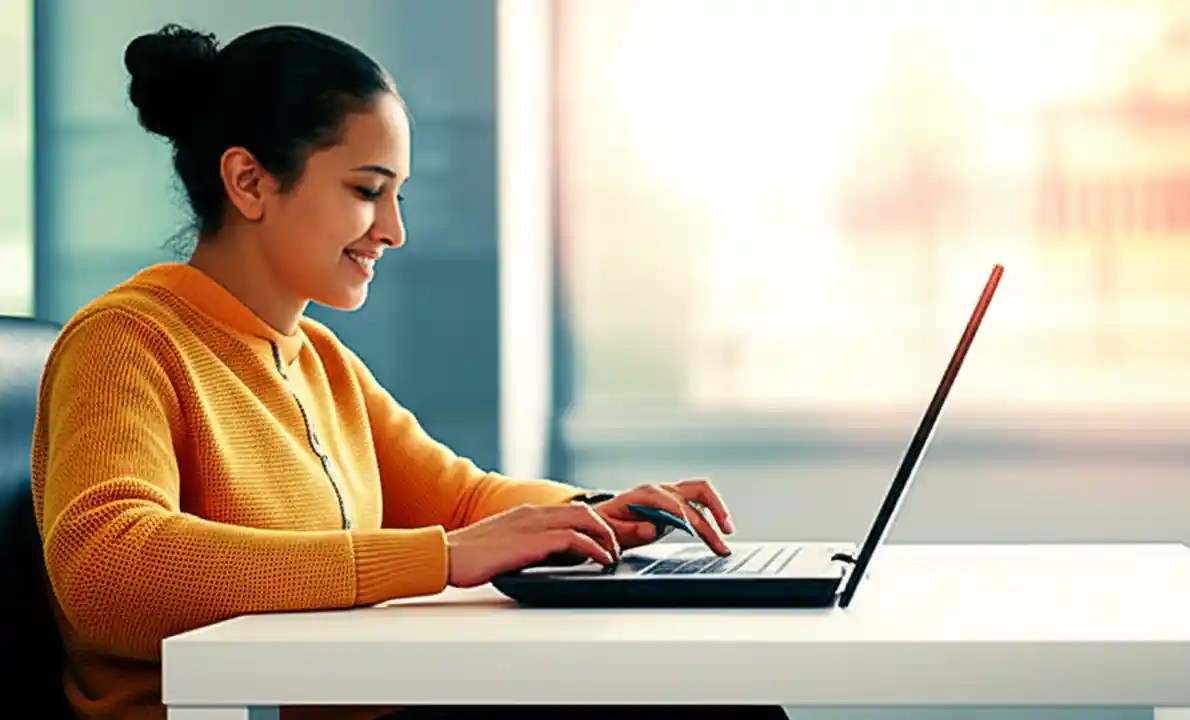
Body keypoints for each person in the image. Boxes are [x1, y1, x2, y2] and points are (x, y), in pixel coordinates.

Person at [29, 22, 789, 720]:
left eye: (397, 195)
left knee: (716, 696)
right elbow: (109, 570)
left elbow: (460, 498)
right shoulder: (126, 341)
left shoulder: (318, 359)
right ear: (250, 182)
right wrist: (441, 559)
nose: (393, 230)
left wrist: (593, 514)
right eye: (367, 191)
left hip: (367, 705)